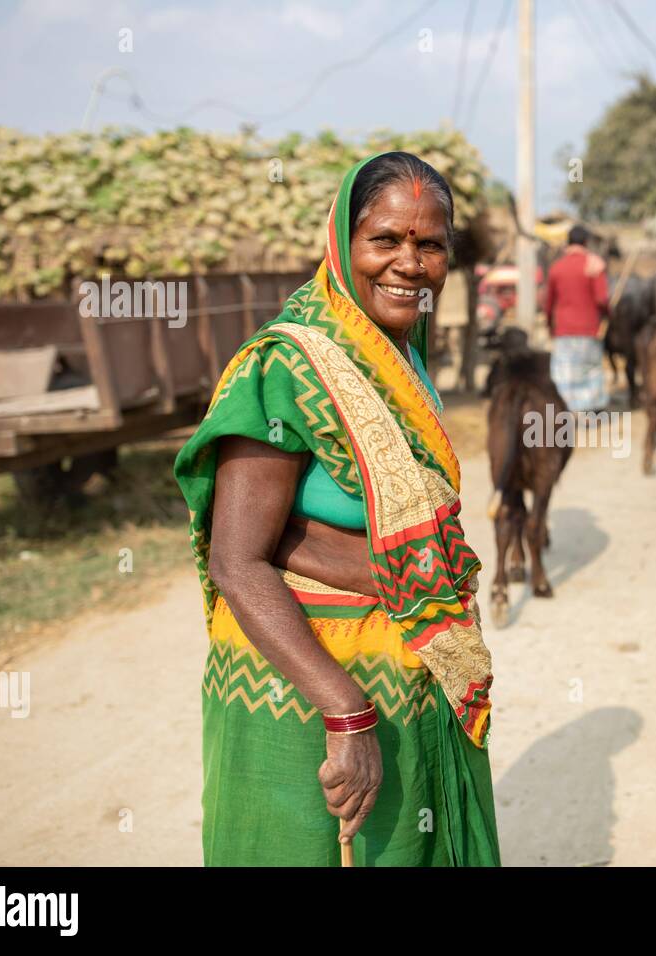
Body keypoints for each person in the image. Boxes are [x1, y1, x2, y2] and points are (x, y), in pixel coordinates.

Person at [173, 152, 500, 867]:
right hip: (303, 698)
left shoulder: (401, 359)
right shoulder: (286, 366)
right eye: (386, 239)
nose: (410, 263)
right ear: (342, 245)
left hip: (405, 678)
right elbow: (236, 557)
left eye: (430, 244)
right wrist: (345, 710)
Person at [544, 224, 609, 411]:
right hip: (589, 330)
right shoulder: (595, 265)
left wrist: (550, 326)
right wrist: (607, 315)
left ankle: (566, 413)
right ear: (586, 242)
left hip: (563, 331)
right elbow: (601, 300)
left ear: (568, 242)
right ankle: (588, 414)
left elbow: (549, 304)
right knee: (590, 372)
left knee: (565, 374)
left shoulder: (557, 268)